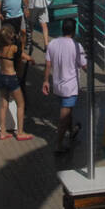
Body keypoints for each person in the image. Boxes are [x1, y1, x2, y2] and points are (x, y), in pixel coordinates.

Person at [42, 18, 87, 153]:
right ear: (74, 31)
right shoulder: (77, 46)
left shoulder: (52, 44)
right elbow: (85, 66)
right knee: (63, 117)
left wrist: (45, 81)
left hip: (57, 86)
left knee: (68, 112)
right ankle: (59, 145)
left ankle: (71, 130)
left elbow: (48, 64)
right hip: (70, 88)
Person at [0, 24, 33, 141]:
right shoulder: (13, 48)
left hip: (1, 77)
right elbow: (23, 54)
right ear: (9, 37)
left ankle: (2, 131)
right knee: (21, 104)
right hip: (11, 78)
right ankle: (20, 132)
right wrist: (31, 59)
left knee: (3, 105)